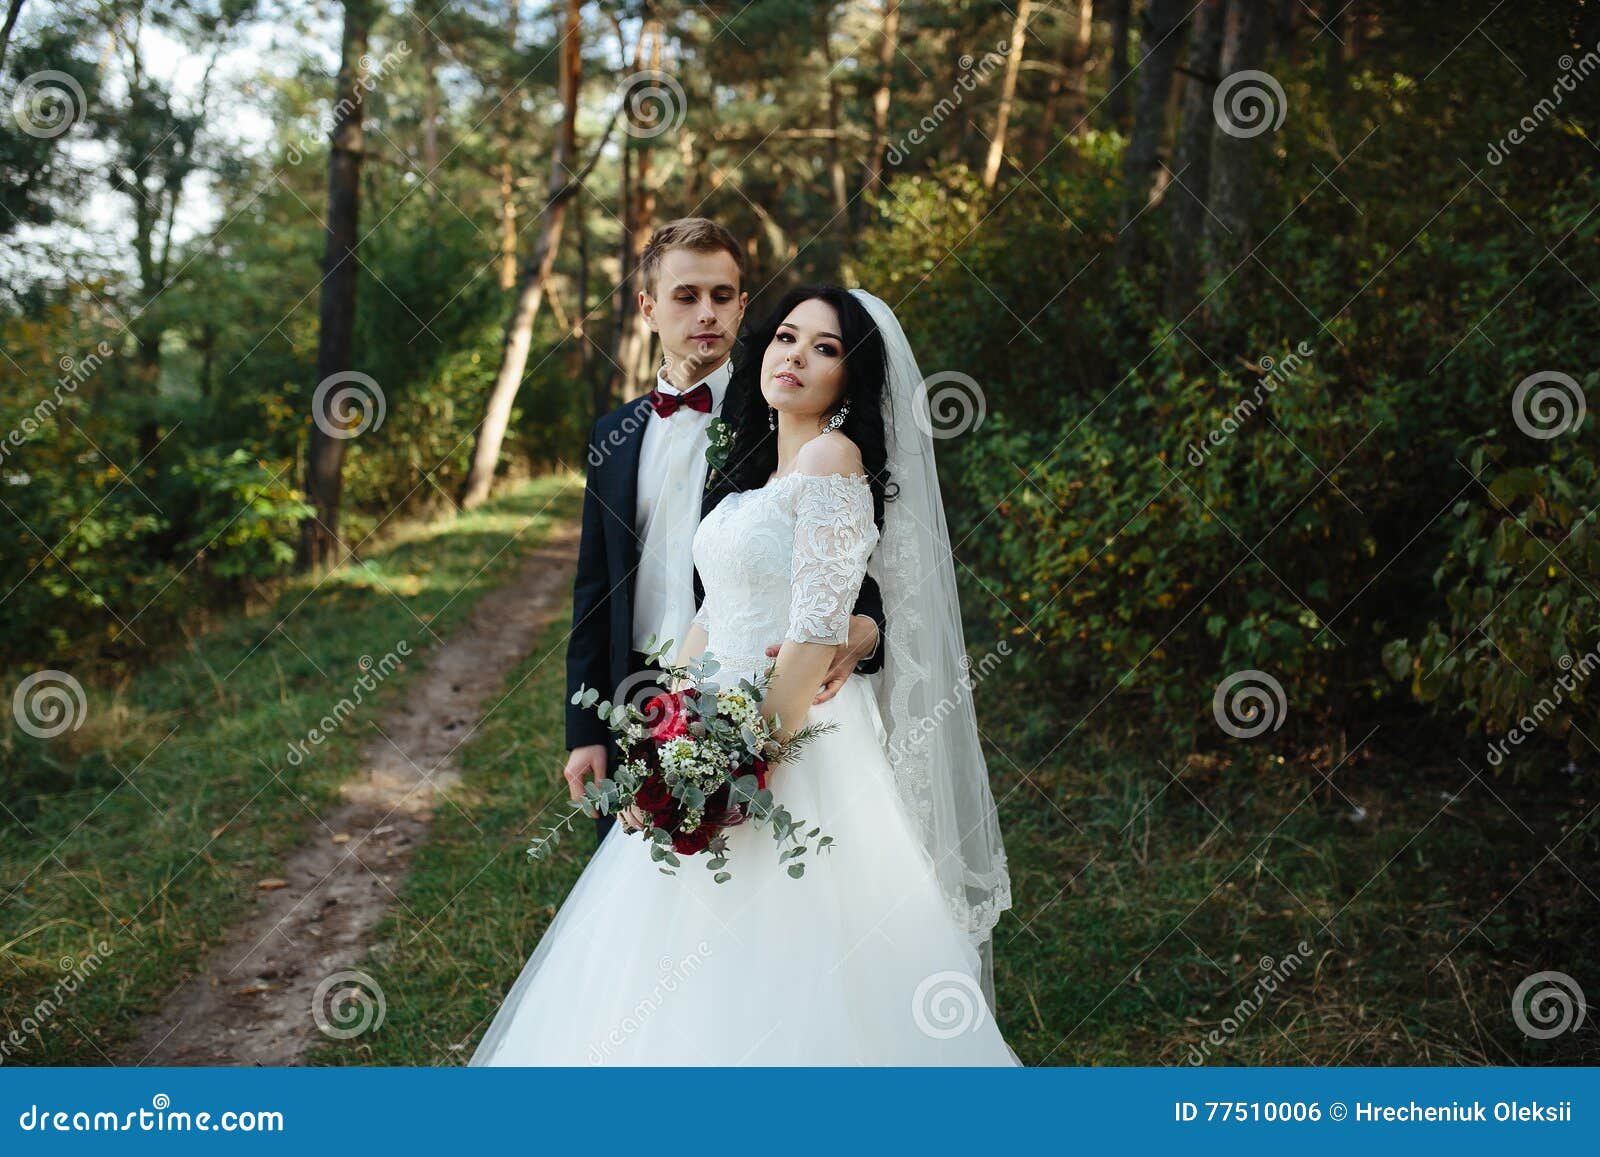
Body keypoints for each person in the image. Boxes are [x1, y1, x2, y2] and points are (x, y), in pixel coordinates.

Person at [471, 287, 1015, 1065]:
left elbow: (812, 637)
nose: (795, 355)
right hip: (704, 731)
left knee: (799, 951)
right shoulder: (759, 476)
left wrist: (737, 764)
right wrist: (656, 742)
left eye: (824, 348)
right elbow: (706, 621)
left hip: (790, 748)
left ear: (850, 379)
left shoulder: (834, 459)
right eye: (787, 337)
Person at [561, 219, 886, 847]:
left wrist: (868, 626)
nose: (707, 313)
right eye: (686, 296)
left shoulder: (779, 410)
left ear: (743, 304)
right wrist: (586, 729)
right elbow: (593, 590)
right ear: (649, 307)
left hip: (762, 688)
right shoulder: (612, 434)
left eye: (723, 295)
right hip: (644, 687)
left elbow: (851, 550)